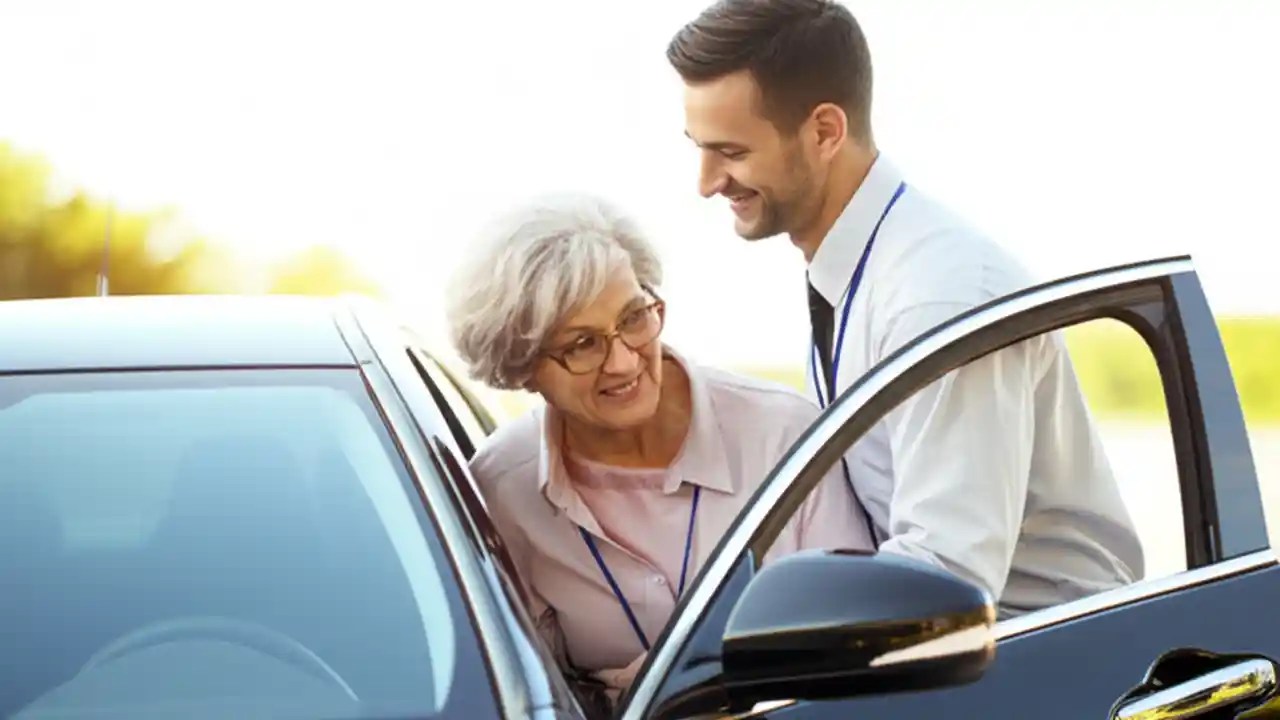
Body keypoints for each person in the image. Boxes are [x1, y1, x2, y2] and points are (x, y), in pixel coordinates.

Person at [665, 0, 1143, 617]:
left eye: (730, 152)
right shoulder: (858, 267)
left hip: (1047, 664)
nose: (706, 182)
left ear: (825, 132)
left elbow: (948, 580)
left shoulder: (937, 296)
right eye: (699, 149)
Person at [443, 193, 874, 700]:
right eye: (582, 345)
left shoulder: (784, 434)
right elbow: (531, 697)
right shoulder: (501, 491)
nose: (624, 363)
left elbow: (852, 638)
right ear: (520, 367)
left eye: (632, 318)